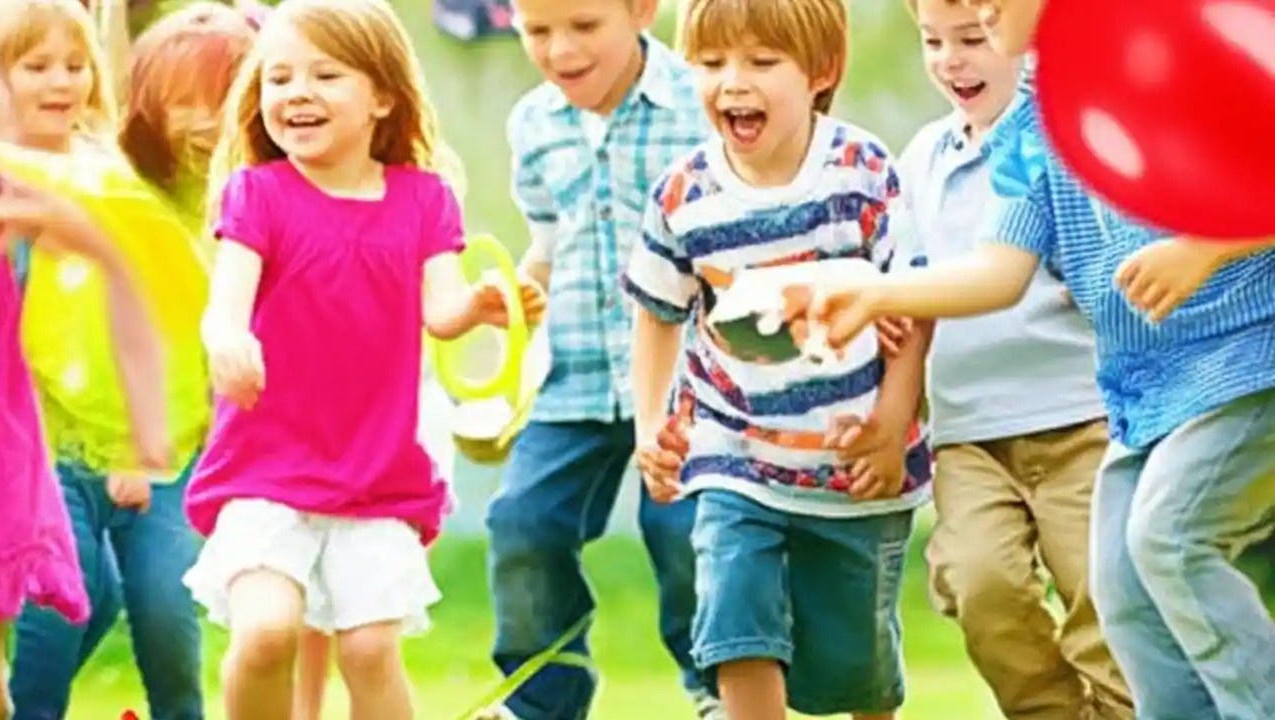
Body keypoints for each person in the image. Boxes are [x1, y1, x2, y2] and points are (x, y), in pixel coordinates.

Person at [805, 1, 1275, 717]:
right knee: (1122, 587)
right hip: (1148, 394)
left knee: (1169, 540)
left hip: (1249, 359)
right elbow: (998, 273)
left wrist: (1201, 247)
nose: (977, 12)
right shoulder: (1032, 128)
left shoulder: (1160, 48)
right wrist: (874, 293)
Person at [179, 1, 543, 718]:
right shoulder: (259, 195)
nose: (296, 93)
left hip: (374, 475)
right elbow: (226, 302)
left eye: (324, 74)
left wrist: (483, 307)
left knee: (372, 651)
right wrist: (226, 340)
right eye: (278, 78)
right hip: (265, 469)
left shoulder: (423, 199)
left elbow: (441, 312)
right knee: (264, 634)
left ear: (382, 95)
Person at [625, 1, 932, 718]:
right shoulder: (683, 194)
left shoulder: (859, 172)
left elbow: (913, 308)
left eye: (762, 63)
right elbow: (657, 310)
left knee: (858, 666)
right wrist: (651, 423)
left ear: (820, 71)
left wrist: (892, 423)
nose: (733, 82)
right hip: (733, 450)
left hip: (852, 461)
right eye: (711, 63)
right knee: (735, 622)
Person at [893, 1, 1133, 717]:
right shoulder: (922, 160)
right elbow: (909, 298)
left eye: (971, 39)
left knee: (1103, 598)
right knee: (978, 582)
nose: (950, 59)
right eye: (933, 41)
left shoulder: (1055, 139)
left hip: (1078, 420)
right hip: (970, 433)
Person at [481, 0, 713, 718]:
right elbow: (551, 242)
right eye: (537, 31)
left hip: (682, 379)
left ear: (642, 9)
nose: (560, 50)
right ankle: (539, 701)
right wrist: (523, 287)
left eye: (583, 27)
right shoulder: (533, 124)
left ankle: (722, 688)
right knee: (522, 523)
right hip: (574, 372)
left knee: (685, 535)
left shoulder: (698, 101)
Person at [0, 4, 167, 715]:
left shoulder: (96, 180)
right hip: (19, 423)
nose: (61, 81)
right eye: (36, 66)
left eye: (75, 66)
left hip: (46, 435)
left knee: (82, 596)